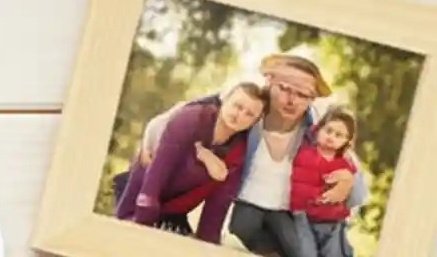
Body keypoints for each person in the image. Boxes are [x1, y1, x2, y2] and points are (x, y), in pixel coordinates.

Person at [138, 53, 368, 257]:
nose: (291, 99)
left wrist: (347, 181)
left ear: (312, 99)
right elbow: (175, 120)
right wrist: (148, 147)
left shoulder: (318, 130)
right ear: (269, 83)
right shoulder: (246, 112)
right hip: (245, 220)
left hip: (296, 219)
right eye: (285, 88)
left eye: (302, 94)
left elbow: (357, 193)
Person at [114, 82, 269, 243]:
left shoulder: (238, 151)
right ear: (224, 100)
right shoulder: (192, 118)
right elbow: (159, 169)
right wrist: (144, 216)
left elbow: (218, 205)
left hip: (173, 212)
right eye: (237, 106)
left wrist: (208, 245)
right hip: (142, 190)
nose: (240, 115)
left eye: (249, 114)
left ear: (254, 122)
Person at [289, 106, 358, 257]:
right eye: (328, 131)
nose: (331, 137)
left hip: (331, 222)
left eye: (339, 135)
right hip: (303, 216)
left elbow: (348, 195)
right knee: (306, 253)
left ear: (346, 141)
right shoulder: (303, 153)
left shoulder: (345, 166)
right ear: (318, 129)